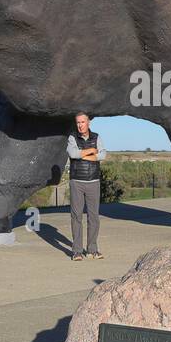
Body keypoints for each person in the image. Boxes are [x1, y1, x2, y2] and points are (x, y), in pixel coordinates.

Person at [67, 112, 106, 261]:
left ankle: (92, 249)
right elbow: (72, 153)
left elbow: (103, 155)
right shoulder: (72, 137)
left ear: (88, 122)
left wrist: (84, 154)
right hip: (77, 182)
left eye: (82, 122)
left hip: (93, 182)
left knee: (94, 217)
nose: (80, 125)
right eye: (78, 122)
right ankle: (77, 251)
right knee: (76, 216)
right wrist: (91, 151)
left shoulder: (97, 137)